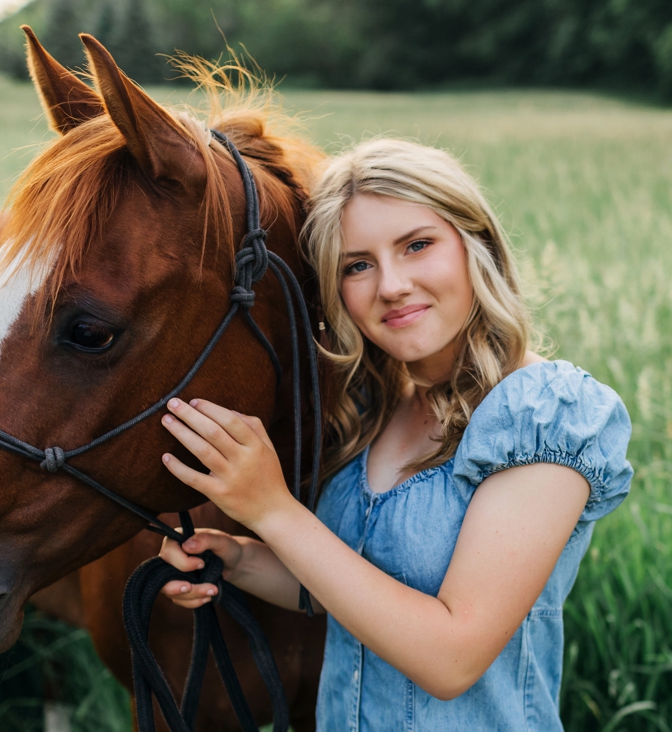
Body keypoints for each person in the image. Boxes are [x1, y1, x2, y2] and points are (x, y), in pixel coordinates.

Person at [156, 138, 633, 730]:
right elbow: (353, 593)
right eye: (357, 265)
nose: (392, 285)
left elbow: (451, 658)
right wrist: (238, 560)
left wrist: (272, 510)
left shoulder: (543, 414)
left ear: (475, 245)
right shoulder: (376, 408)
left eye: (417, 246)